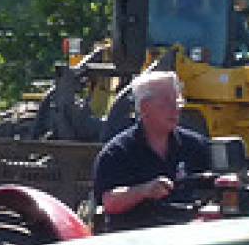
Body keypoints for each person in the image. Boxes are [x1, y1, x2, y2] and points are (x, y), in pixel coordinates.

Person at [91, 70, 213, 231]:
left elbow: (217, 181)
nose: (174, 110)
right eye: (166, 103)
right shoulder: (118, 152)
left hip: (186, 238)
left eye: (177, 102)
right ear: (144, 108)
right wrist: (144, 191)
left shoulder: (196, 146)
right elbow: (109, 202)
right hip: (136, 240)